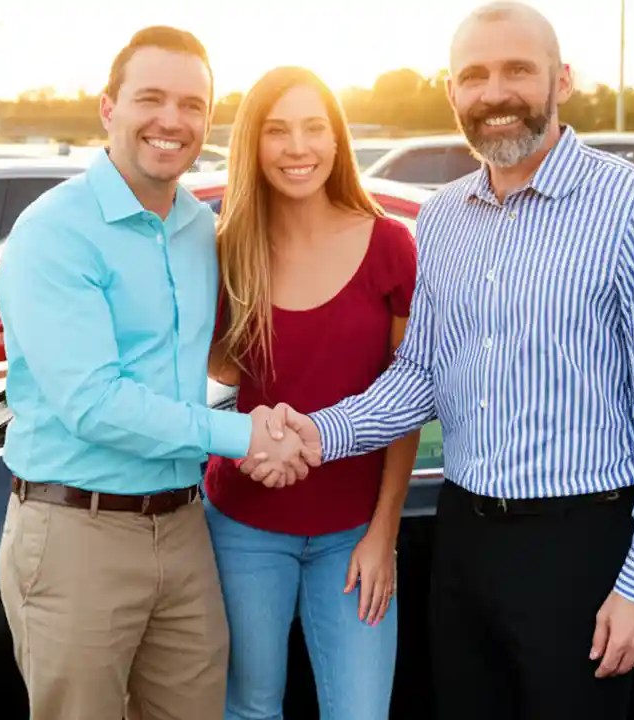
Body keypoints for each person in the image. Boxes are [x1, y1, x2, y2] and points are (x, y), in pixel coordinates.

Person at [244, 2, 634, 718]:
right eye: (475, 75)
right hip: (465, 542)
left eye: (517, 71)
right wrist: (317, 432)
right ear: (452, 92)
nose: (495, 93)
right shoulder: (442, 217)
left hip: (582, 546)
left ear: (562, 79)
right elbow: (418, 376)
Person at [0, 26, 314, 720]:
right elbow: (95, 403)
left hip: (184, 528)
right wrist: (247, 438)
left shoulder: (201, 230)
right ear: (109, 107)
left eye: (192, 105)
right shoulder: (56, 230)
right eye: (152, 98)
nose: (173, 121)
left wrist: (294, 423)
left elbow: (236, 355)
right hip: (77, 529)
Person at [203, 66, 420, 720]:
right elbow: (222, 375)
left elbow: (405, 401)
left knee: (358, 711)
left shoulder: (389, 245)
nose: (298, 147)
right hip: (242, 526)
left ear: (336, 140)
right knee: (250, 709)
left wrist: (384, 533)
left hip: (353, 534)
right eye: (277, 131)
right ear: (253, 145)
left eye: (313, 128)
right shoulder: (228, 248)